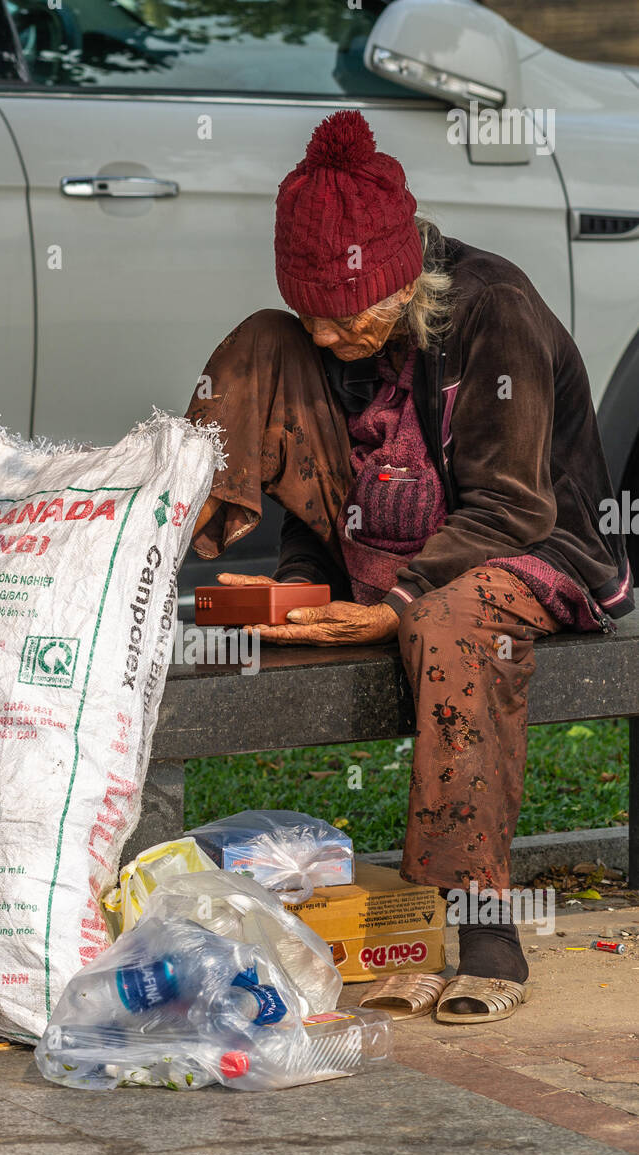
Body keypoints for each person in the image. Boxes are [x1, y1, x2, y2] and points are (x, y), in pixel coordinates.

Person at [185, 110, 632, 1022]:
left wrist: (396, 600)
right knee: (258, 340)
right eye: (317, 314)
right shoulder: (319, 335)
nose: (326, 336)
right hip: (391, 557)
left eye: (346, 318)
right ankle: (156, 535)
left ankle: (483, 932)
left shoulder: (493, 312)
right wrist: (307, 584)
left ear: (404, 286)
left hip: (525, 550)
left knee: (451, 623)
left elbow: (513, 508)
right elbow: (333, 466)